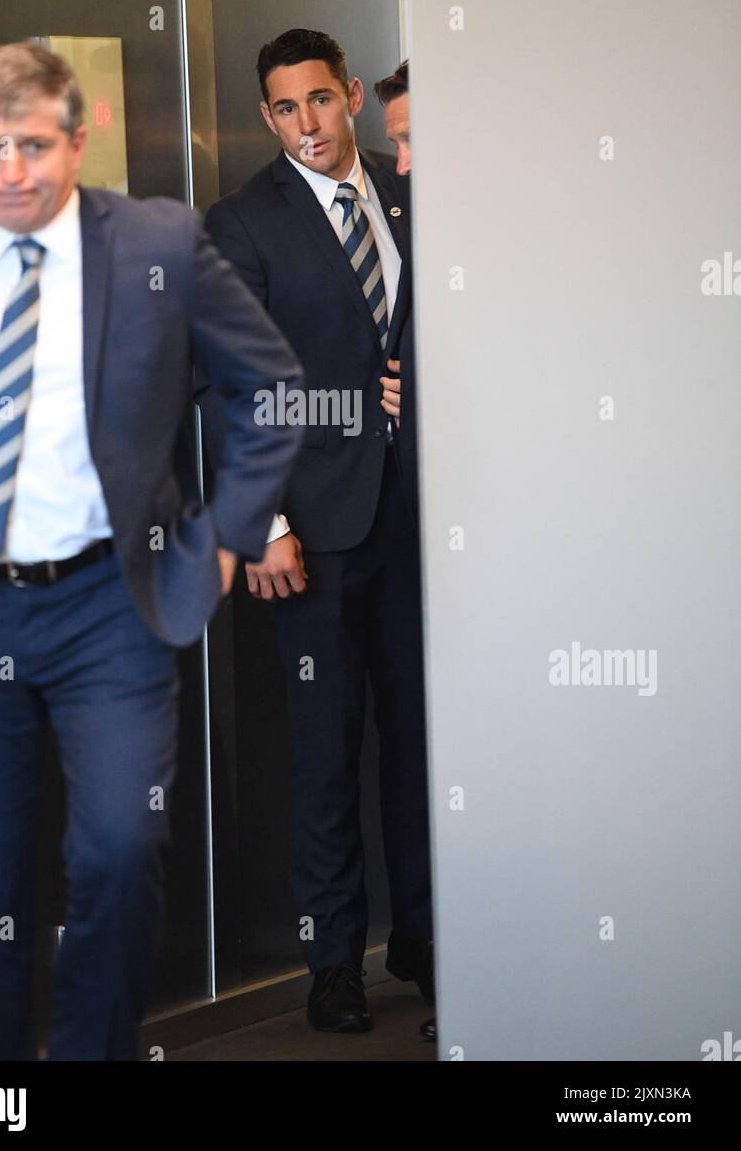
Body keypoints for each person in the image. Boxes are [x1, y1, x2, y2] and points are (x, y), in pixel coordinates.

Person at [0, 41, 304, 1061]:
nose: (12, 170)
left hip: (106, 604)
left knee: (119, 845)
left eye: (35, 144)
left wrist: (228, 534)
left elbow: (270, 387)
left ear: (78, 141)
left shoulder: (154, 240)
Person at [196, 28, 433, 1035]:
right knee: (325, 755)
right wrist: (268, 523)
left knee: (426, 749)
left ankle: (427, 945)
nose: (307, 126)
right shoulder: (244, 222)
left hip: (421, 519)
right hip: (315, 534)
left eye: (320, 103)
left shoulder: (409, 186)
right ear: (266, 115)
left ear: (346, 95)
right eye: (284, 109)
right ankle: (332, 964)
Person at [375, 57, 435, 1043]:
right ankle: (436, 967)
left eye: (418, 137)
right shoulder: (412, 223)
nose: (400, 159)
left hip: (508, 544)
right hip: (401, 534)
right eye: (393, 138)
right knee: (417, 751)